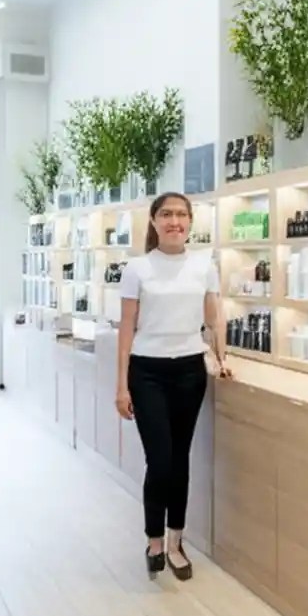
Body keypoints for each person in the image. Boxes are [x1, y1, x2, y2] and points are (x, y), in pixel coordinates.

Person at [116, 192, 230, 581]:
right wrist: (121, 386)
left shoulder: (204, 266)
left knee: (180, 459)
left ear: (190, 222)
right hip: (146, 372)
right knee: (160, 460)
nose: (174, 221)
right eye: (166, 214)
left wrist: (222, 358)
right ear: (153, 220)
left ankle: (176, 541)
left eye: (181, 215)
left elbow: (214, 319)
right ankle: (153, 539)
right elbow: (127, 329)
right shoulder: (137, 269)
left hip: (189, 371)